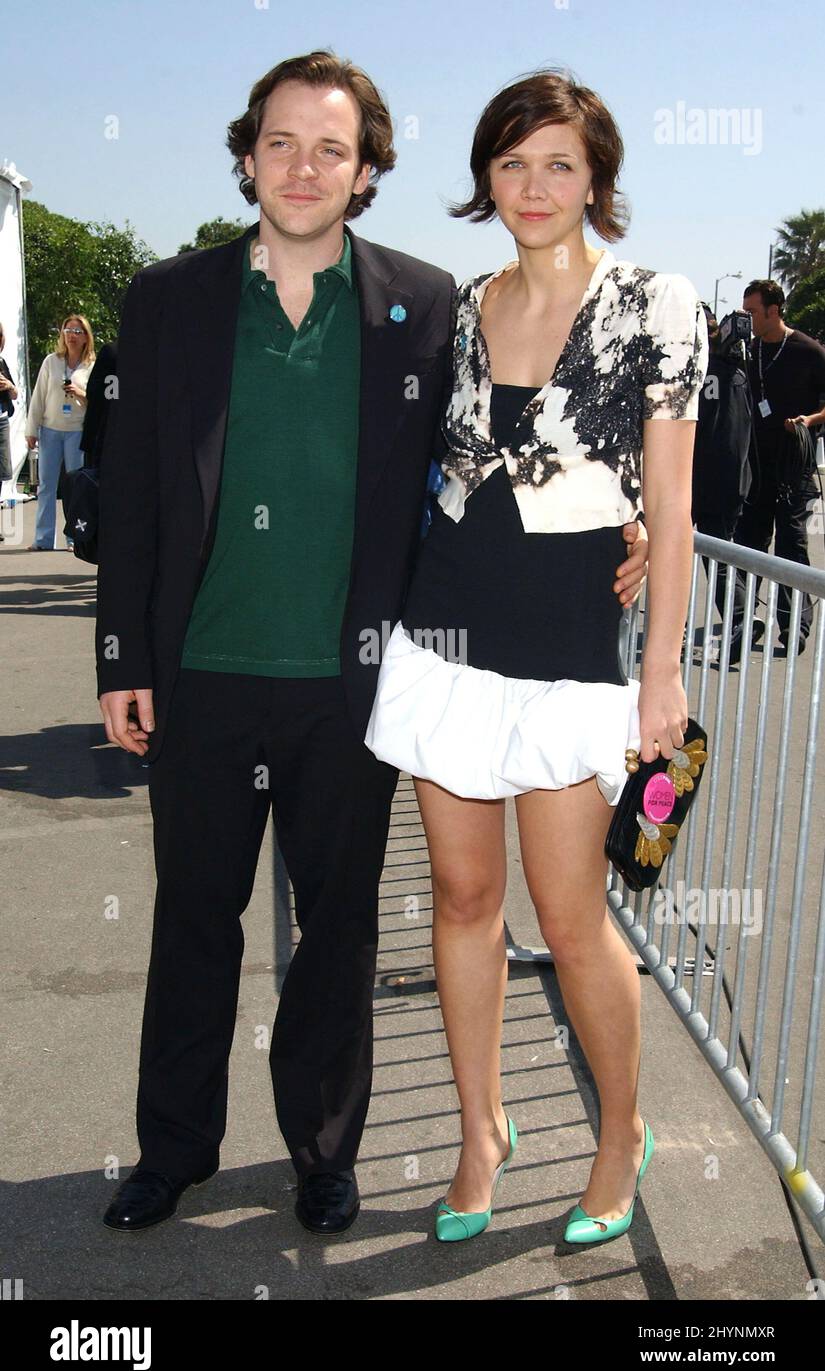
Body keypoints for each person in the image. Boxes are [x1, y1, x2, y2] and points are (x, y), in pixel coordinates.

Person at [95, 50, 649, 1239]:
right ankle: (174, 1150)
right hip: (200, 675)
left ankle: (324, 1153)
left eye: (331, 149)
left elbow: (503, 449)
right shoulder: (169, 300)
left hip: (356, 684)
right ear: (248, 157)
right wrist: (120, 661)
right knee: (193, 917)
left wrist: (637, 516)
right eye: (282, 144)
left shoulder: (424, 302)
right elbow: (133, 496)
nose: (304, 168)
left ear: (366, 172)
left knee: (339, 932)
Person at [365, 68, 708, 1246]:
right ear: (485, 180)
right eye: (512, 163)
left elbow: (673, 502)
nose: (534, 185)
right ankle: (480, 1131)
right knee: (463, 899)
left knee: (571, 918)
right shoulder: (464, 305)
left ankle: (621, 1135)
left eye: (558, 162)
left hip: (572, 649)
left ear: (596, 177)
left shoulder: (659, 304)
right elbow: (435, 470)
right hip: (448, 634)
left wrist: (661, 671)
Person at [731, 279, 825, 658]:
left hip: (794, 469)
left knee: (791, 548)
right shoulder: (748, 351)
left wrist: (809, 419)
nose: (748, 318)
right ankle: (742, 621)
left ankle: (794, 626)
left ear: (774, 311)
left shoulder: (809, 351)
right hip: (755, 469)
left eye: (752, 311)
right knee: (748, 545)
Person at [691, 302, 752, 627]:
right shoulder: (738, 372)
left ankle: (740, 616)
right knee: (720, 558)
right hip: (729, 482)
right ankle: (740, 615)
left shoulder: (691, 372)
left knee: (673, 557)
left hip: (695, 483)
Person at [25, 314, 95, 550]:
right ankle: (43, 539)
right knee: (46, 485)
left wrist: (80, 392)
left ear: (86, 337)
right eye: (67, 331)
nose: (71, 336)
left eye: (77, 332)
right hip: (50, 428)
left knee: (75, 485)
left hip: (77, 430)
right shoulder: (51, 361)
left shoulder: (92, 365)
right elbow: (38, 396)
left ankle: (75, 536)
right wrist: (31, 429)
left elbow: (96, 401)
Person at [0, 321, 20, 540]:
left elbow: (15, 395)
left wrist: (9, 386)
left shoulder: (1, 362)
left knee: (1, 473)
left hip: (2, 421)